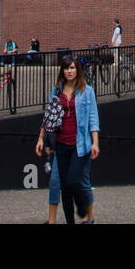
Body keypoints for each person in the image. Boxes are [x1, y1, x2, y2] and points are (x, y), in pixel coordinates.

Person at [34, 56, 100, 224]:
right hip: (61, 143)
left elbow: (93, 118)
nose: (69, 71)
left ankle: (84, 211)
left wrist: (95, 142)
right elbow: (49, 116)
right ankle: (70, 221)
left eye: (72, 68)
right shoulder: (57, 90)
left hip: (79, 145)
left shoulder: (87, 91)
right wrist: (41, 138)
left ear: (77, 70)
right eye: (66, 68)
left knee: (73, 181)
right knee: (64, 187)